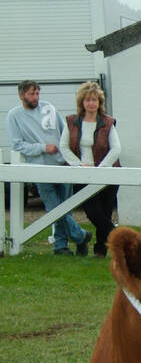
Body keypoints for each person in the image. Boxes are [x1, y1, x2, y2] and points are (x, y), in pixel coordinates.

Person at [5, 80, 89, 255]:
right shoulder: (14, 116)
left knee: (65, 207)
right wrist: (43, 148)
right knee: (54, 208)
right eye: (31, 94)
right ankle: (80, 236)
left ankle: (61, 246)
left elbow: (64, 131)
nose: (35, 97)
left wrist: (70, 155)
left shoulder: (49, 108)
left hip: (61, 164)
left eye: (37, 93)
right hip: (40, 168)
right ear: (21, 95)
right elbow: (17, 145)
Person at [58, 81, 120, 257]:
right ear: (82, 102)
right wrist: (78, 165)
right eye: (87, 100)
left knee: (105, 212)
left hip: (107, 175)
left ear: (99, 102)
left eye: (94, 100)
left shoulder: (108, 123)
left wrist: (101, 168)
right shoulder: (71, 122)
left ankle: (101, 250)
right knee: (93, 213)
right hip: (82, 174)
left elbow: (116, 149)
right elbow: (64, 147)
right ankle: (118, 235)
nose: (91, 103)